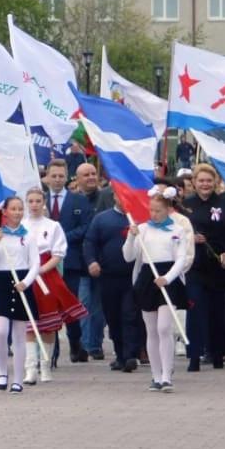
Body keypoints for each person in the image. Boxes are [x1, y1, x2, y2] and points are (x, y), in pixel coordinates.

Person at [124, 186, 192, 392]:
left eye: (158, 211)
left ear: (168, 210)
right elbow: (128, 256)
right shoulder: (143, 229)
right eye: (151, 210)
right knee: (151, 329)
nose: (154, 214)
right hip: (147, 277)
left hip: (167, 277)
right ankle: (156, 375)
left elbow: (181, 258)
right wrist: (131, 236)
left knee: (164, 327)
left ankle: (167, 375)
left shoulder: (177, 230)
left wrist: (168, 277)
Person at [181, 163, 225, 371]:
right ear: (194, 183)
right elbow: (178, 233)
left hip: (219, 265)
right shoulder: (186, 204)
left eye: (209, 180)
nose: (205, 184)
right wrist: (191, 238)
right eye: (201, 180)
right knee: (196, 309)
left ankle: (218, 353)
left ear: (215, 182)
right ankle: (194, 356)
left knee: (217, 310)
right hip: (195, 265)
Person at [23, 189, 85, 383]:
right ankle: (30, 368)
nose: (34, 205)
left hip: (47, 274)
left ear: (44, 203)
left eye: (38, 201)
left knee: (48, 326)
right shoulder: (20, 226)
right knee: (29, 325)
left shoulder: (53, 226)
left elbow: (58, 254)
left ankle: (45, 365)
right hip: (25, 276)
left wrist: (40, 270)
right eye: (31, 201)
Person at [0, 196, 39, 393]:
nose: (17, 212)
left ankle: (18, 379)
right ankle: (3, 371)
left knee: (19, 335)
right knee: (0, 330)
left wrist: (26, 282)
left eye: (20, 209)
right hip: (2, 282)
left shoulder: (28, 236)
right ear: (5, 212)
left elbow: (35, 263)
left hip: (21, 281)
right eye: (13, 209)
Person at [43, 163, 93, 362]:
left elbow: (85, 227)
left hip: (70, 261)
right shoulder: (39, 200)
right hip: (44, 262)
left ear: (66, 178)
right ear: (47, 177)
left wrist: (60, 237)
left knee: (68, 304)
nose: (57, 179)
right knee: (48, 306)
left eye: (60, 176)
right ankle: (51, 351)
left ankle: (75, 341)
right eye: (53, 175)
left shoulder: (78, 200)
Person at [83, 202, 140, 373]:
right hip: (108, 276)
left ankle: (131, 355)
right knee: (113, 316)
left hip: (133, 276)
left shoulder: (140, 217)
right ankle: (120, 355)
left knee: (129, 314)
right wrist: (92, 261)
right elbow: (90, 242)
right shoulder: (102, 219)